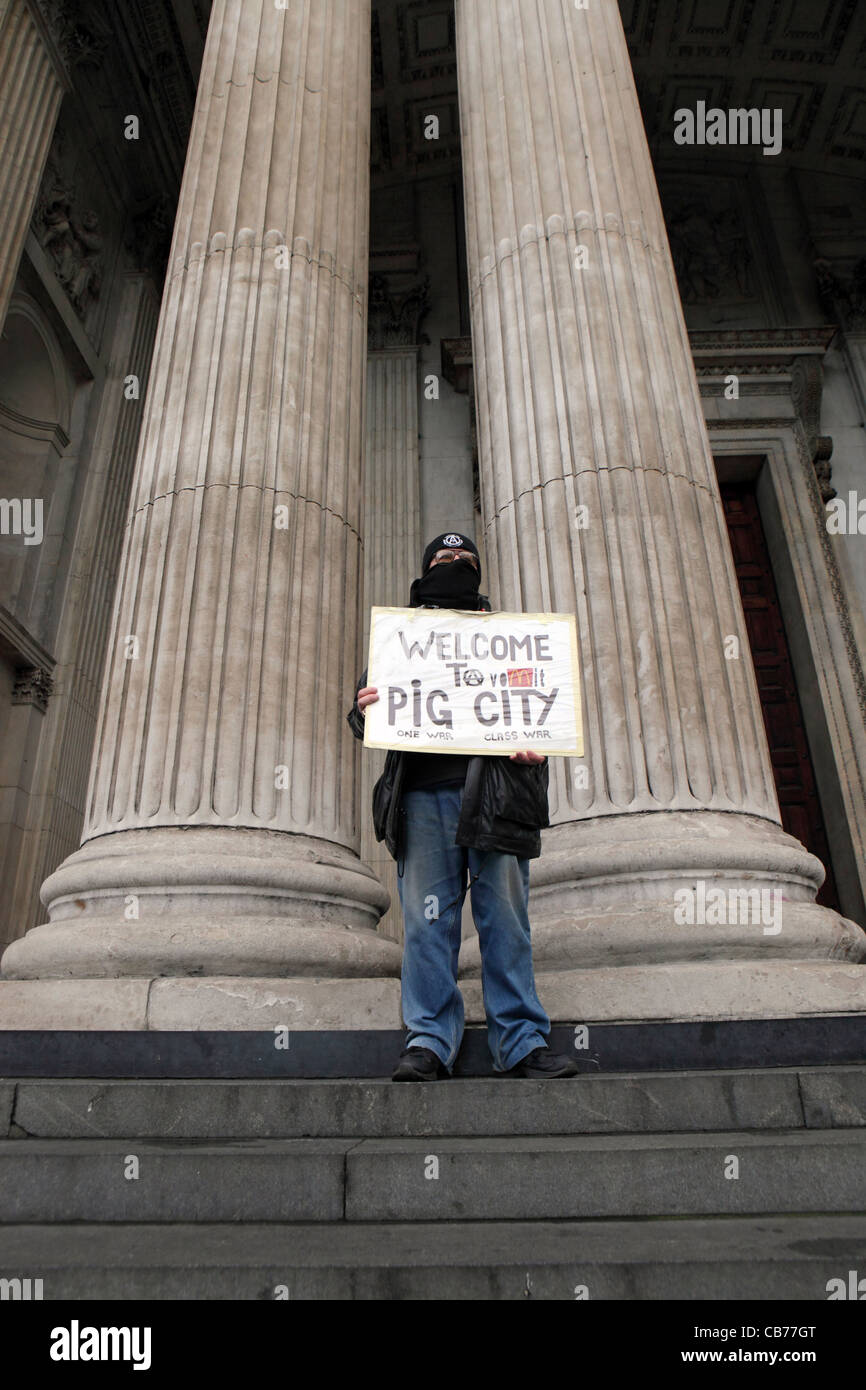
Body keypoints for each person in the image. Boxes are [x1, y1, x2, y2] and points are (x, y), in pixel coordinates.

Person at [347, 531, 579, 1082]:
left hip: (497, 800)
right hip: (423, 800)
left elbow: (543, 715)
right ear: (425, 570)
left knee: (505, 922)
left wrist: (535, 748)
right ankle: (429, 1041)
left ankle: (522, 1042)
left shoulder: (513, 639)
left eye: (464, 559)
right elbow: (362, 723)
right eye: (444, 559)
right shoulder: (398, 640)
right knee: (428, 924)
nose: (454, 565)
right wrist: (365, 708)